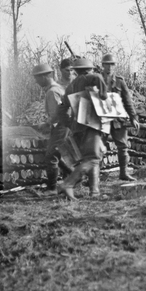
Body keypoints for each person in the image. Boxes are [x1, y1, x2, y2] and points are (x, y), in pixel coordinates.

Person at [57, 58, 109, 200]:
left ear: (76, 70)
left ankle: (95, 191)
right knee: (92, 159)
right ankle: (68, 184)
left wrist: (69, 123)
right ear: (89, 69)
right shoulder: (92, 78)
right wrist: (103, 94)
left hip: (78, 127)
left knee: (93, 157)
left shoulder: (70, 87)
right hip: (91, 124)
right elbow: (102, 89)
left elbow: (61, 110)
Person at [32, 64, 73, 196]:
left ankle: (52, 189)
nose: (36, 81)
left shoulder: (52, 92)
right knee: (56, 153)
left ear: (44, 76)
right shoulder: (58, 89)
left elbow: (58, 113)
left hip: (61, 125)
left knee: (51, 156)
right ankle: (73, 176)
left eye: (37, 78)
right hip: (64, 125)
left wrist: (46, 123)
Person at [101, 53, 140, 181]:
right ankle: (95, 177)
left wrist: (133, 117)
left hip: (117, 118)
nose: (109, 67)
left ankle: (123, 173)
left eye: (112, 64)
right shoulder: (97, 80)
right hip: (102, 119)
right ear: (103, 65)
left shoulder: (119, 81)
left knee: (123, 146)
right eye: (107, 64)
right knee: (98, 148)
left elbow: (128, 101)